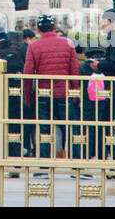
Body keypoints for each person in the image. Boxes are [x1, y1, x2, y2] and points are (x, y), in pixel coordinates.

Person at [79, 9, 115, 162]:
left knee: (106, 124)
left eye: (105, 21)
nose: (102, 24)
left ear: (113, 23)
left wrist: (99, 65)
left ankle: (111, 159)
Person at [24, 14, 78, 158]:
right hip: (64, 93)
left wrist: (28, 96)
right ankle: (77, 164)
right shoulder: (68, 43)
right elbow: (74, 71)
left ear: (38, 29)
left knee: (44, 129)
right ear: (55, 27)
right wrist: (74, 93)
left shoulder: (33, 46)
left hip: (43, 93)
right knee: (71, 128)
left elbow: (28, 73)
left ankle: (44, 165)